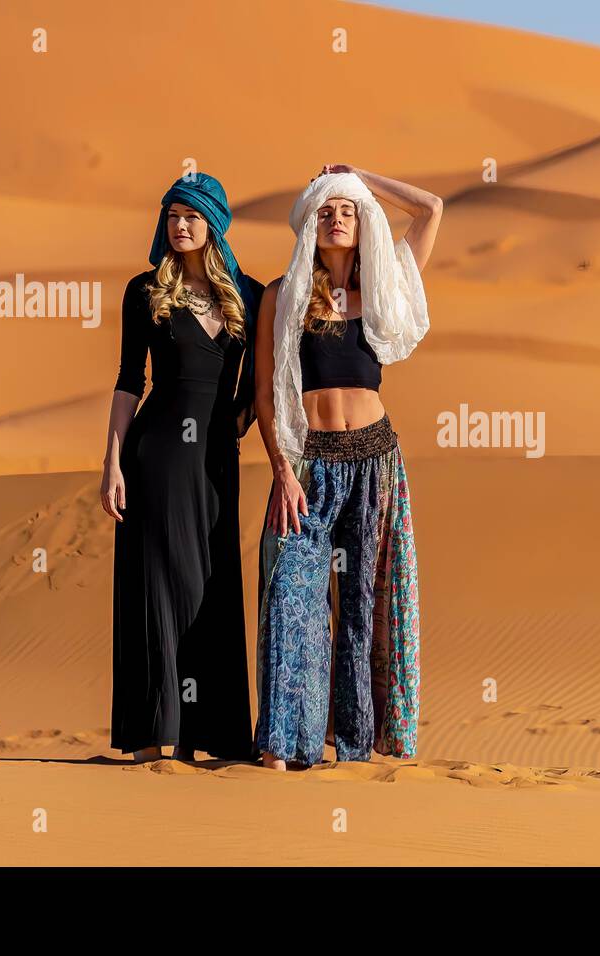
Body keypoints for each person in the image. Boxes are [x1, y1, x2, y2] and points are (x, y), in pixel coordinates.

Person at [252, 165, 441, 770]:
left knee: (364, 606)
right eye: (327, 210)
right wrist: (281, 468)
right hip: (306, 468)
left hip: (374, 460)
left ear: (364, 225)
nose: (337, 218)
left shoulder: (383, 289)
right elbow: (264, 395)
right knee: (293, 600)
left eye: (349, 211)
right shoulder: (281, 297)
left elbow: (431, 209)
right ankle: (285, 744)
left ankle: (357, 746)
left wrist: (361, 178)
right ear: (310, 222)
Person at [101, 172, 263, 763]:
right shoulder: (144, 292)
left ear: (214, 223)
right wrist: (112, 462)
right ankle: (152, 738)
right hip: (157, 455)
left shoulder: (249, 294)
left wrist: (239, 424)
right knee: (157, 587)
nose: (179, 226)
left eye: (191, 216)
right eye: (171, 216)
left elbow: (259, 388)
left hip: (216, 461)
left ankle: (208, 736)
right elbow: (128, 381)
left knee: (211, 585)